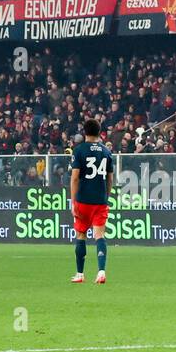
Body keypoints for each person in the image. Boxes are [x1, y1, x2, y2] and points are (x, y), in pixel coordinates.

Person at [70, 119, 114, 284]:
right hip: (100, 200)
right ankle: (101, 271)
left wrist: (73, 201)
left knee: (81, 234)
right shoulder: (106, 151)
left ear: (84, 132)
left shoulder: (79, 150)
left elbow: (75, 178)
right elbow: (110, 179)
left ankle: (80, 274)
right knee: (99, 235)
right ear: (99, 132)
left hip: (83, 200)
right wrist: (106, 197)